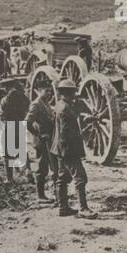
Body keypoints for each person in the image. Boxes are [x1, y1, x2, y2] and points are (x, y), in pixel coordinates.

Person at [51, 80, 93, 218]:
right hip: (67, 149)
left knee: (62, 178)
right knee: (81, 178)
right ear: (69, 93)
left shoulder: (59, 105)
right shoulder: (66, 109)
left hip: (59, 149)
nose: (75, 95)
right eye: (73, 93)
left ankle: (63, 208)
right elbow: (66, 132)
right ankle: (83, 209)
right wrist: (74, 151)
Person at [26, 83, 56, 203]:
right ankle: (40, 196)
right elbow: (28, 122)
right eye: (46, 91)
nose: (49, 93)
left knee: (51, 166)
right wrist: (38, 134)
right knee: (42, 168)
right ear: (39, 90)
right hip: (41, 141)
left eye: (50, 91)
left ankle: (54, 193)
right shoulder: (36, 104)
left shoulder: (46, 103)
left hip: (49, 140)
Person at [0, 80, 29, 184]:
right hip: (20, 127)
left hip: (9, 128)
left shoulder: (5, 100)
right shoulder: (23, 98)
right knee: (22, 150)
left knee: (7, 154)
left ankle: (9, 178)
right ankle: (28, 174)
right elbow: (28, 109)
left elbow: (1, 117)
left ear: (6, 88)